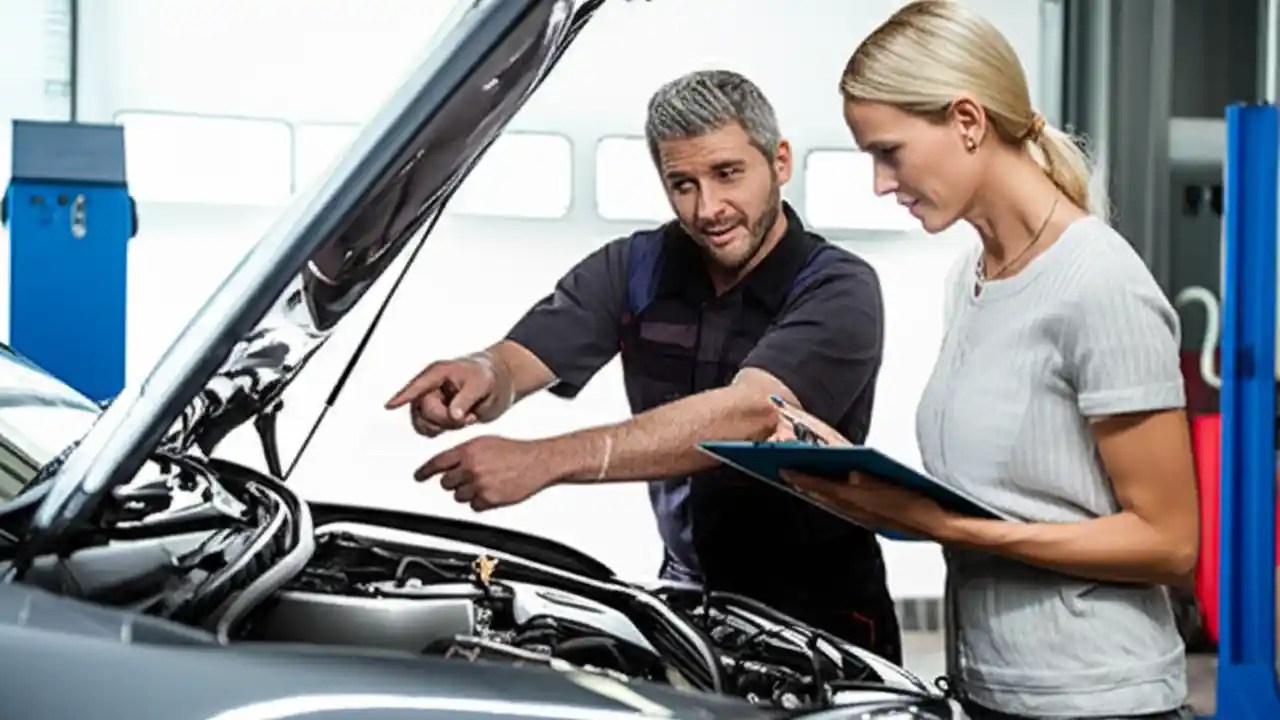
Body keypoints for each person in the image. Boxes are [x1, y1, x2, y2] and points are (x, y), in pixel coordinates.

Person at [385, 69, 902, 663]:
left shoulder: (839, 288)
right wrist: (480, 374)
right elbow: (516, 362)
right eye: (682, 184)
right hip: (688, 603)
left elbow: (753, 414)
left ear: (779, 162)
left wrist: (544, 460)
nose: (708, 208)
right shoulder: (635, 267)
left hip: (822, 619)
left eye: (728, 174)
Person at [772, 2, 1200, 718]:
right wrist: (858, 477)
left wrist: (945, 526)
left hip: (1100, 701)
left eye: (889, 152)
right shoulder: (971, 277)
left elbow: (1169, 542)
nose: (881, 183)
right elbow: (1008, 497)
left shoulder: (1099, 283)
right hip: (993, 689)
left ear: (967, 121)